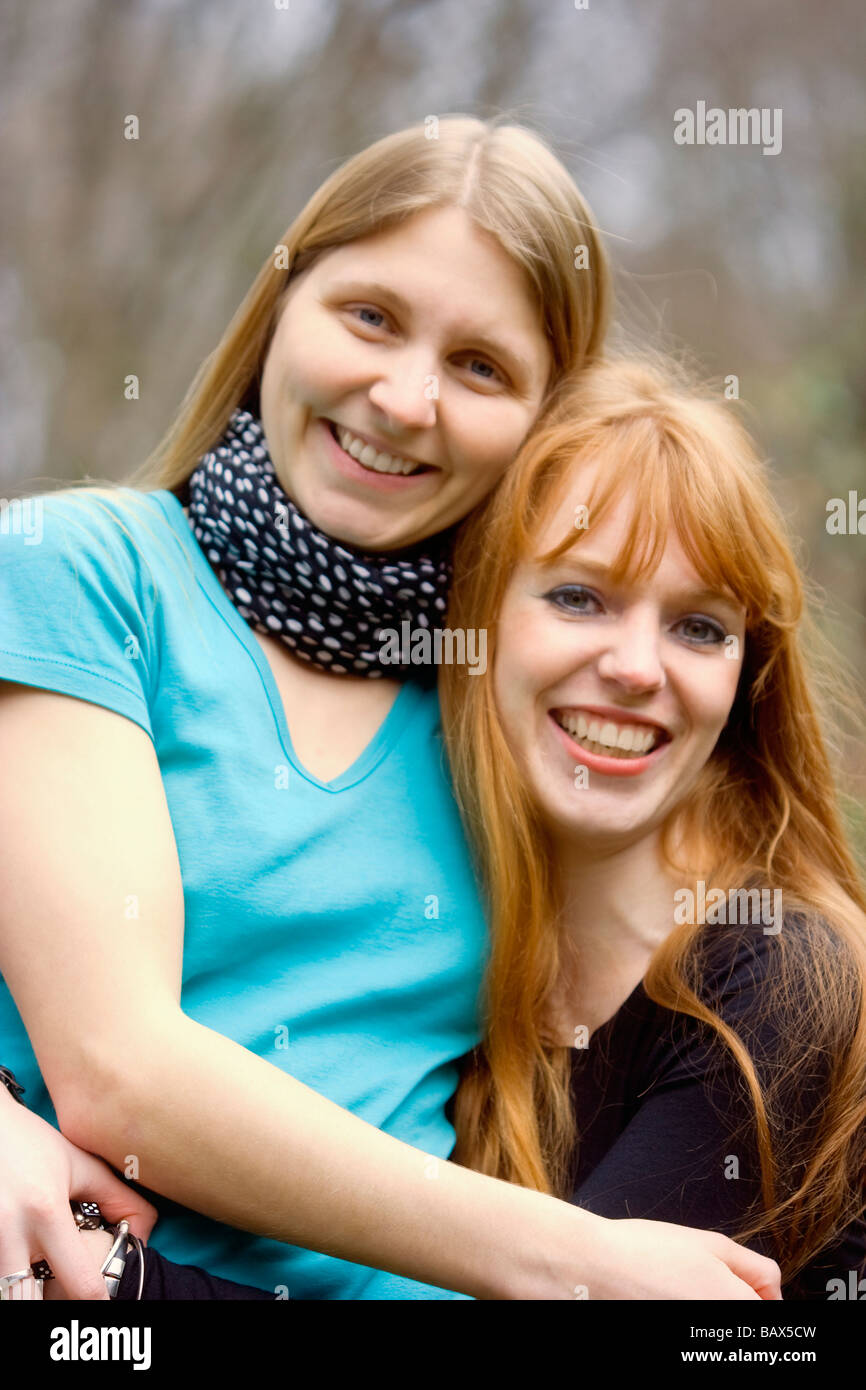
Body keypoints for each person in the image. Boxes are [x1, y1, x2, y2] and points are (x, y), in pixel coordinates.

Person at [0, 114, 779, 1302]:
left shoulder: (511, 692)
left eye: (480, 367)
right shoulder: (85, 573)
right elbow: (120, 1072)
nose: (404, 398)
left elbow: (710, 952)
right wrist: (577, 1259)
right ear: (281, 306)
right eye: (368, 316)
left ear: (541, 421)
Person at [437, 356, 866, 1300]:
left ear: (746, 682)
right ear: (477, 619)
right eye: (579, 596)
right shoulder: (428, 951)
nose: (637, 668)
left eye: (699, 627)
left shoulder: (781, 977)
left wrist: (117, 1279)